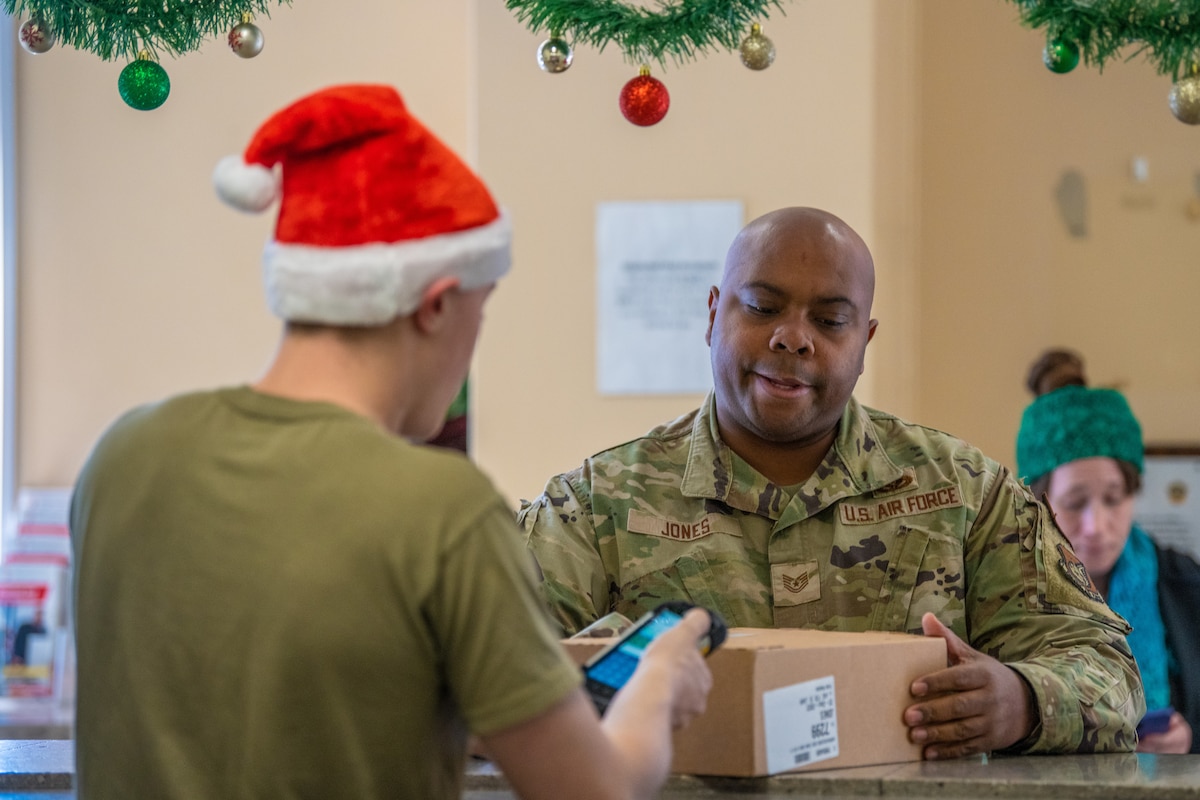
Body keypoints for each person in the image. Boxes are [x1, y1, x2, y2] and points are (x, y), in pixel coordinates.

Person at [69, 83, 713, 800]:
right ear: (436, 305)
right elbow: (598, 791)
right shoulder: (441, 510)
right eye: (481, 312)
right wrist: (657, 682)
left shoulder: (123, 456)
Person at [519, 206, 1144, 760]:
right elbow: (492, 682)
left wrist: (1021, 702)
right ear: (714, 313)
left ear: (865, 340)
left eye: (830, 320)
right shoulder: (598, 504)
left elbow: (1108, 671)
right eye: (763, 308)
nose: (793, 336)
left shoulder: (966, 492)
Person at [1016, 348, 1200, 754]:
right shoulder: (1006, 587)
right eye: (1076, 502)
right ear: (1037, 502)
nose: (1096, 526)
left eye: (1114, 499)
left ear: (1134, 492)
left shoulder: (1185, 582)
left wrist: (1189, 740)